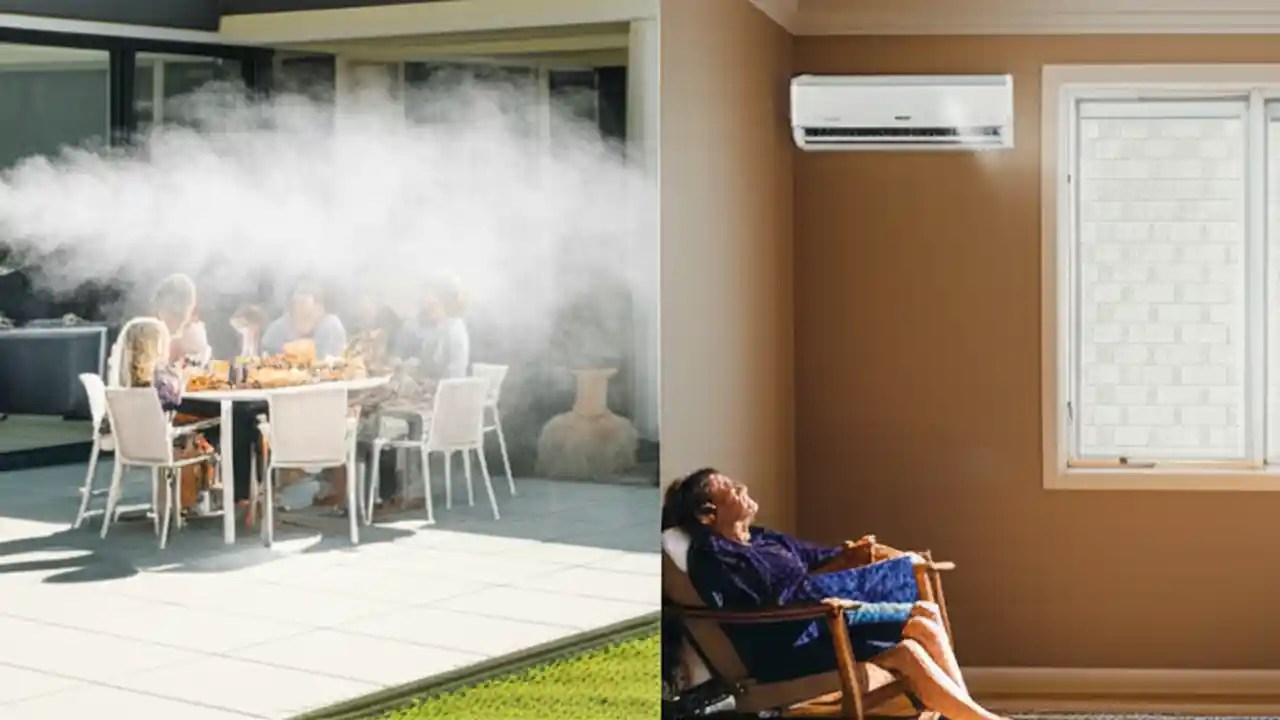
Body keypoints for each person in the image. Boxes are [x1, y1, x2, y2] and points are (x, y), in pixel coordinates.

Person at [663, 468, 1006, 720]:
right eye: (730, 489)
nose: (742, 488)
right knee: (918, 627)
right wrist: (853, 588)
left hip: (820, 624)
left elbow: (818, 558)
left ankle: (971, 715)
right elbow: (771, 607)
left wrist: (854, 552)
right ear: (707, 515)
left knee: (917, 637)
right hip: (787, 646)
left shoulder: (764, 539)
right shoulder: (715, 556)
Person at [261, 282, 347, 359]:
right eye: (298, 303)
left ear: (320, 307)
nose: (301, 309)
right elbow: (266, 356)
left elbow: (335, 359)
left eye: (304, 303)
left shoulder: (331, 326)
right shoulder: (278, 329)